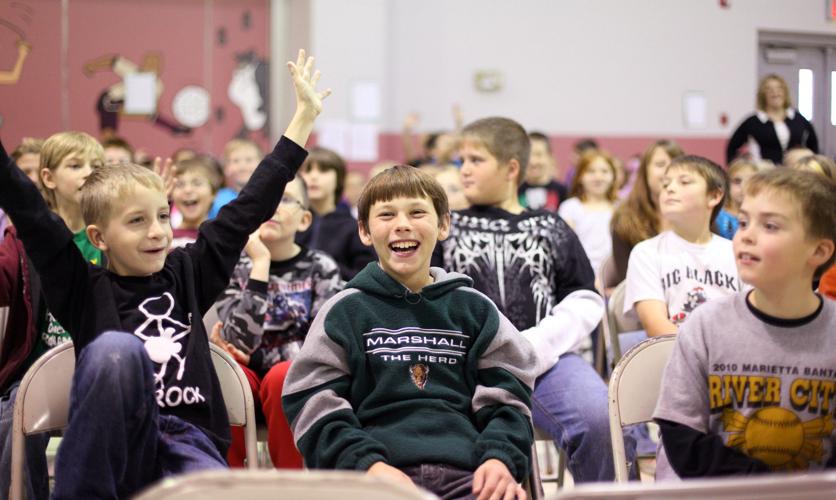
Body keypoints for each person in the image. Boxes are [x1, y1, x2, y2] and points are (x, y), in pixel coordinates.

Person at [0, 48, 329, 498]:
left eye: (160, 216)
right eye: (136, 221)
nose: (157, 232)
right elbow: (30, 211)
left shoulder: (189, 270)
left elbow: (252, 202)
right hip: (114, 446)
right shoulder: (81, 284)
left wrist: (303, 119)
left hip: (189, 445)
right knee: (116, 349)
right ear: (98, 238)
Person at [283, 165, 536, 500]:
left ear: (443, 224)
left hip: (471, 475)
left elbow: (509, 400)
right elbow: (312, 403)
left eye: (417, 212)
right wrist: (367, 465)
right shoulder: (344, 311)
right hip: (373, 480)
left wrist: (499, 458)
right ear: (365, 231)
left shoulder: (475, 309)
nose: (402, 224)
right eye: (386, 214)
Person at [437, 117, 631, 483]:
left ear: (511, 167)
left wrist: (535, 345)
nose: (464, 170)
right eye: (462, 161)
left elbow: (585, 298)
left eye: (476, 160)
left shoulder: (549, 225)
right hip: (463, 369)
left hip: (547, 364)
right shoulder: (445, 227)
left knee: (599, 420)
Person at [653, 169, 836, 479]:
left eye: (770, 226)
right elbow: (681, 437)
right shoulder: (706, 325)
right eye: (743, 223)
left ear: (818, 251)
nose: (746, 236)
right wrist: (764, 485)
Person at [211, 175, 342, 469]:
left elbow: (320, 343)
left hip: (297, 378)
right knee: (223, 372)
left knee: (282, 376)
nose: (272, 207)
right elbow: (237, 341)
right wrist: (260, 265)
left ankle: (289, 486)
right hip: (247, 378)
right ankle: (226, 485)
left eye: (284, 200)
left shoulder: (322, 267)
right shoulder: (235, 268)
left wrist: (256, 354)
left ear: (305, 220)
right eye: (267, 199)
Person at [0, 132, 104, 500]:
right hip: (36, 371)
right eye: (76, 166)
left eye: (97, 166)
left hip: (99, 367)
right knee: (13, 417)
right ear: (48, 179)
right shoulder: (23, 237)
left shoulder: (114, 235)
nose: (89, 173)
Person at [623, 156, 741, 340]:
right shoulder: (646, 252)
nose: (670, 188)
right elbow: (655, 326)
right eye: (665, 184)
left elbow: (752, 320)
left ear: (714, 196)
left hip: (732, 358)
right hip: (674, 355)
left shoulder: (736, 253)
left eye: (684, 182)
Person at [295, 147, 375, 279]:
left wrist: (325, 267)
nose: (313, 177)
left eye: (323, 170)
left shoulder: (353, 229)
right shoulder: (292, 224)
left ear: (339, 179)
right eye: (307, 170)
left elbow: (366, 277)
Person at [610, 139, 684, 283]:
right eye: (660, 164)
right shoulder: (625, 218)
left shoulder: (699, 215)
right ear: (645, 171)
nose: (669, 170)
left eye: (676, 164)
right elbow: (627, 280)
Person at [727, 74, 818, 165]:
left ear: (785, 92)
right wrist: (742, 163)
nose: (775, 92)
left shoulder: (799, 119)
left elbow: (813, 145)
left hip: (794, 172)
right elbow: (732, 148)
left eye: (779, 88)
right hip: (764, 173)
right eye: (769, 89)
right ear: (763, 94)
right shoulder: (753, 122)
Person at [558, 149, 618, 275]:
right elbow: (566, 248)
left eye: (604, 171)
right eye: (591, 171)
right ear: (580, 177)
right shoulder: (570, 207)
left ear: (613, 176)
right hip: (580, 276)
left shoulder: (619, 207)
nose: (598, 177)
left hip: (613, 277)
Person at [170, 156, 223, 249]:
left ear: (214, 193)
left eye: (197, 183)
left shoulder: (223, 239)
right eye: (179, 184)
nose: (188, 190)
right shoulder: (165, 240)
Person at [208, 138, 262, 218]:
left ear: (262, 165)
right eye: (236, 161)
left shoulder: (269, 195)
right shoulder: (216, 199)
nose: (242, 167)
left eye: (249, 160)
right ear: (226, 168)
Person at [518, 132, 567, 212]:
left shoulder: (562, 191)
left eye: (538, 155)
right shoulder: (516, 190)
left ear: (550, 157)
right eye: (528, 155)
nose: (533, 161)